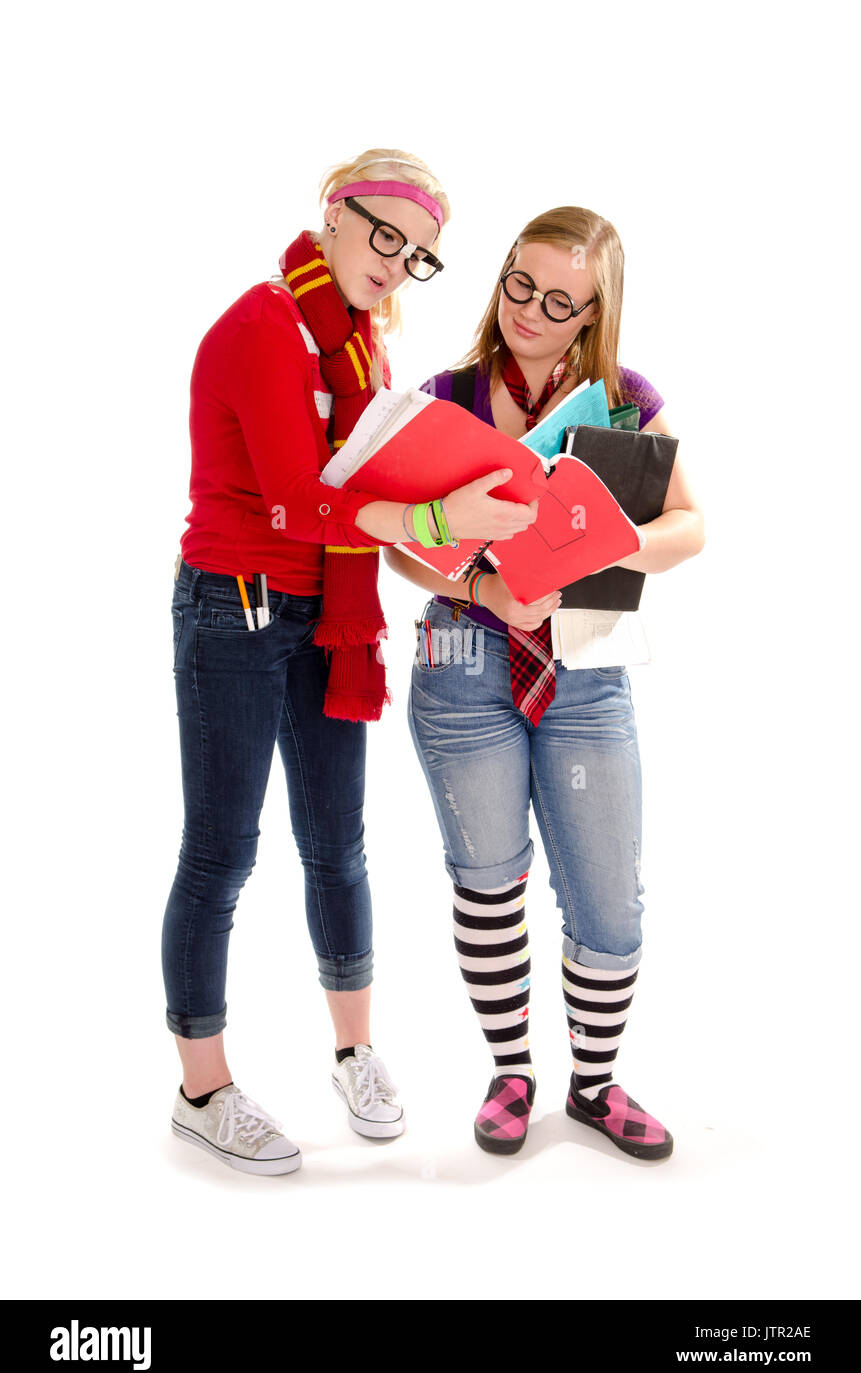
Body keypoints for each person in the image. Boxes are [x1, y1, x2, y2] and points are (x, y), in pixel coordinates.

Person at [164, 148, 536, 1177]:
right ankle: (203, 1090)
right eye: (385, 235)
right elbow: (296, 501)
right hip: (232, 610)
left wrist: (473, 574)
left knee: (339, 844)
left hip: (328, 614)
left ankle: (354, 1051)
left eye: (417, 255)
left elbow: (364, 521)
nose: (396, 261)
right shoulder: (260, 328)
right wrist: (434, 511)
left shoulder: (363, 349)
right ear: (334, 212)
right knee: (222, 855)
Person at [387, 206, 705, 1160]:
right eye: (518, 285)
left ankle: (595, 1087)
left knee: (607, 898)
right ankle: (511, 1073)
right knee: (486, 883)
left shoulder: (621, 401)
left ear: (592, 311)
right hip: (462, 664)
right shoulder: (444, 396)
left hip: (586, 667)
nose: (528, 309)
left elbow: (690, 526)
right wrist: (482, 582)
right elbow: (399, 546)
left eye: (557, 299)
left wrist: (606, 549)